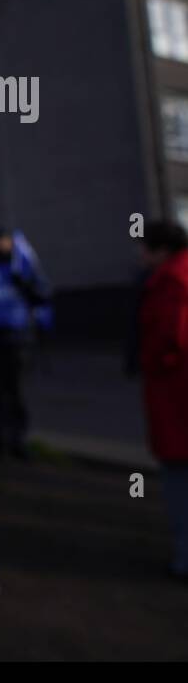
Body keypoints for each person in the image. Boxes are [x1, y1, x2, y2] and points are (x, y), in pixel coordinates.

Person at [135, 220, 188, 581]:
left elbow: (172, 340)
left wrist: (148, 362)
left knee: (179, 480)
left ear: (161, 249)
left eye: (144, 246)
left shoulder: (171, 282)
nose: (139, 253)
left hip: (176, 396)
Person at [0, 226, 51, 458]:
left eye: (0, 241)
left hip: (15, 338)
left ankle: (18, 440)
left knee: (14, 389)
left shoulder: (21, 267)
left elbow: (42, 296)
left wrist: (24, 283)